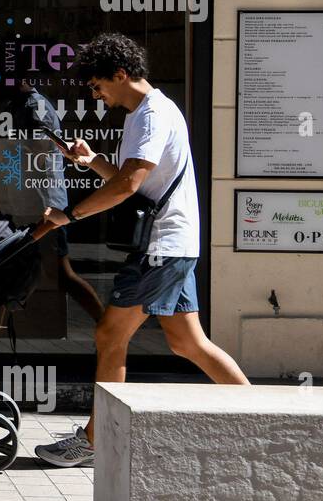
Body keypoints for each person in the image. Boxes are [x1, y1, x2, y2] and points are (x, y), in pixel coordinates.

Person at [34, 33, 249, 467]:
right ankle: (264, 417)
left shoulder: (151, 116)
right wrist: (91, 158)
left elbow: (129, 185)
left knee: (110, 335)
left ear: (120, 73)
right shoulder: (144, 113)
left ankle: (96, 442)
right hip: (174, 243)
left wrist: (68, 216)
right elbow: (131, 179)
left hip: (161, 246)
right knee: (189, 343)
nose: (97, 95)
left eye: (98, 86)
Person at [9, 80, 105, 324]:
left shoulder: (34, 105)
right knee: (32, 270)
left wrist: (8, 146)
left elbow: (44, 147)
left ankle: (107, 326)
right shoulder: (27, 104)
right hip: (40, 198)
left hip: (45, 202)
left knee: (61, 273)